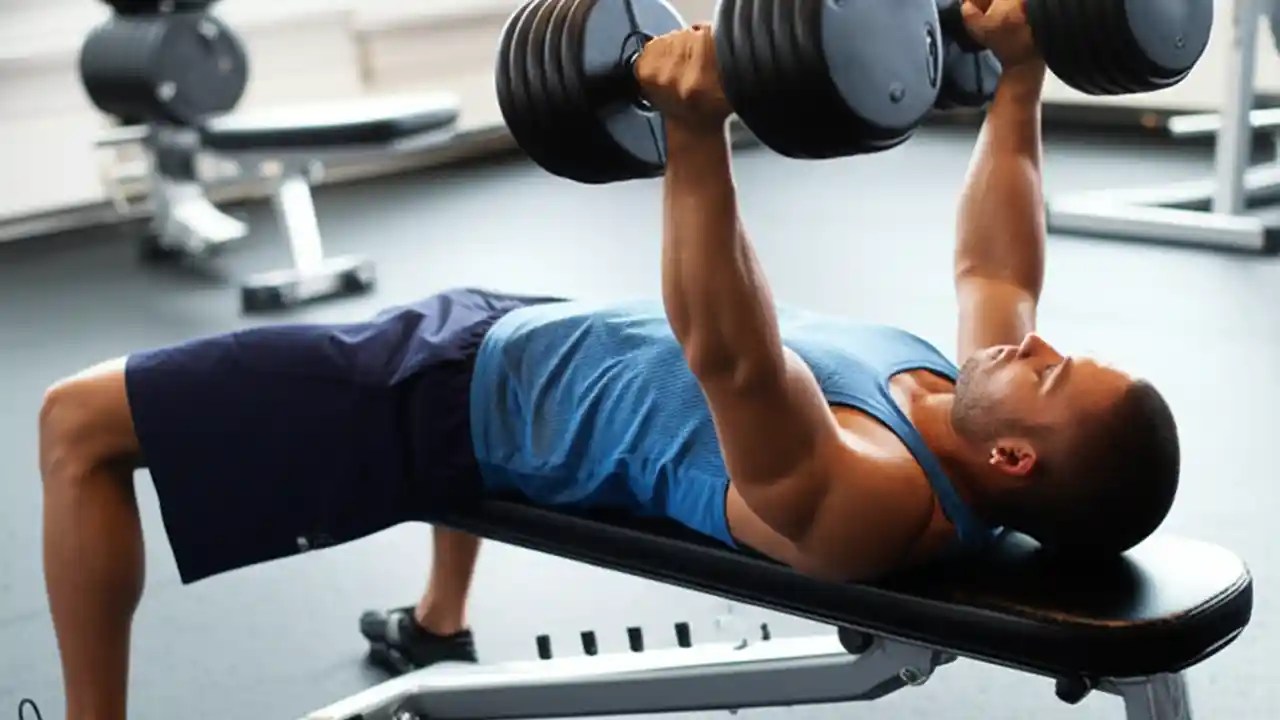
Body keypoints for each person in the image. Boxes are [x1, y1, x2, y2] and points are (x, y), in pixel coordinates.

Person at [33, 0, 1179, 717]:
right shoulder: (967, 413)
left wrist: (693, 131)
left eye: (1046, 371)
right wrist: (1018, 73)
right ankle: (436, 622)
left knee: (77, 424)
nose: (1032, 344)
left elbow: (731, 357)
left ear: (1015, 461)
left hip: (458, 394)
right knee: (512, 327)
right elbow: (994, 264)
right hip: (544, 334)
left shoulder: (873, 500)